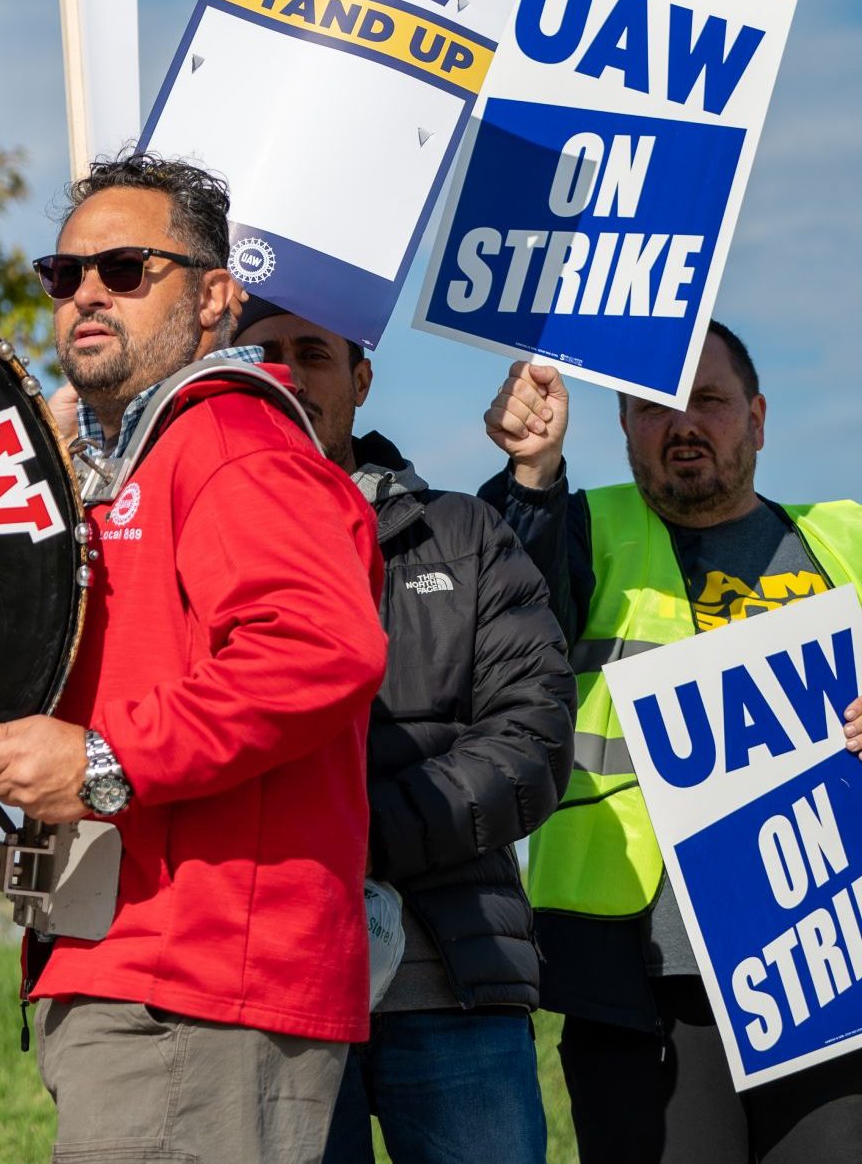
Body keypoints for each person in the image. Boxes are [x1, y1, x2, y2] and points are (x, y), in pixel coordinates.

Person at [0, 152, 385, 1162]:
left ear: (212, 298)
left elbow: (321, 647)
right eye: (63, 274)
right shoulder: (133, 459)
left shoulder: (231, 437)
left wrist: (102, 759)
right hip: (135, 968)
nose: (87, 294)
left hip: (196, 980)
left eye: (124, 269)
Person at [481, 324, 862, 1162]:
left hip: (832, 970)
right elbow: (502, 612)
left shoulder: (849, 538)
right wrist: (533, 475)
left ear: (757, 418)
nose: (683, 424)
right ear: (623, 423)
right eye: (654, 407)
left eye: (710, 401)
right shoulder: (582, 529)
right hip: (641, 979)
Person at [235, 298, 571, 1164]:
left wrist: (354, 832)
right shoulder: (194, 539)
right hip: (266, 992)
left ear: (362, 379)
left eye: (314, 353)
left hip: (456, 990)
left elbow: (533, 740)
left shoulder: (464, 533)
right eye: (263, 353)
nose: (288, 372)